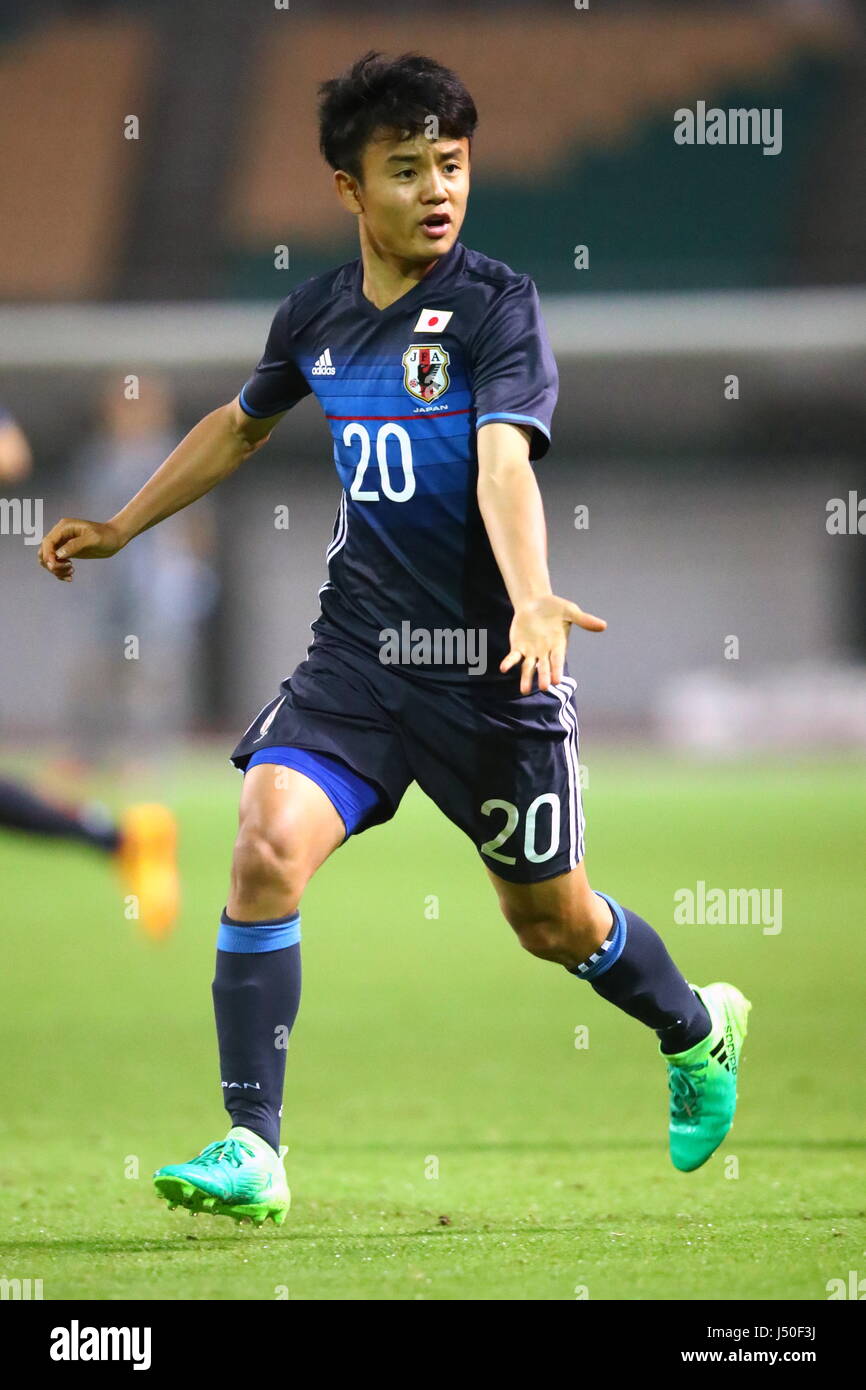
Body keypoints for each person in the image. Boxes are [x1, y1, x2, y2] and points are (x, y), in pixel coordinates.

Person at [38, 52, 750, 1228]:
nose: (436, 189)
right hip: (358, 661)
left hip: (489, 676)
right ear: (347, 189)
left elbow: (503, 461)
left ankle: (695, 1026)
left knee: (551, 923)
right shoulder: (315, 315)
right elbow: (239, 423)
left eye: (452, 166)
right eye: (406, 168)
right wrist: (122, 525)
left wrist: (531, 593)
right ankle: (251, 1145)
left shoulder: (494, 305)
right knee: (264, 839)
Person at [0, 403, 179, 938]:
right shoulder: (99, 459)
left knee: (144, 672)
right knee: (92, 671)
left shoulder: (156, 451)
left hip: (139, 592)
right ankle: (119, 837)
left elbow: (10, 453)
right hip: (99, 597)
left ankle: (132, 794)